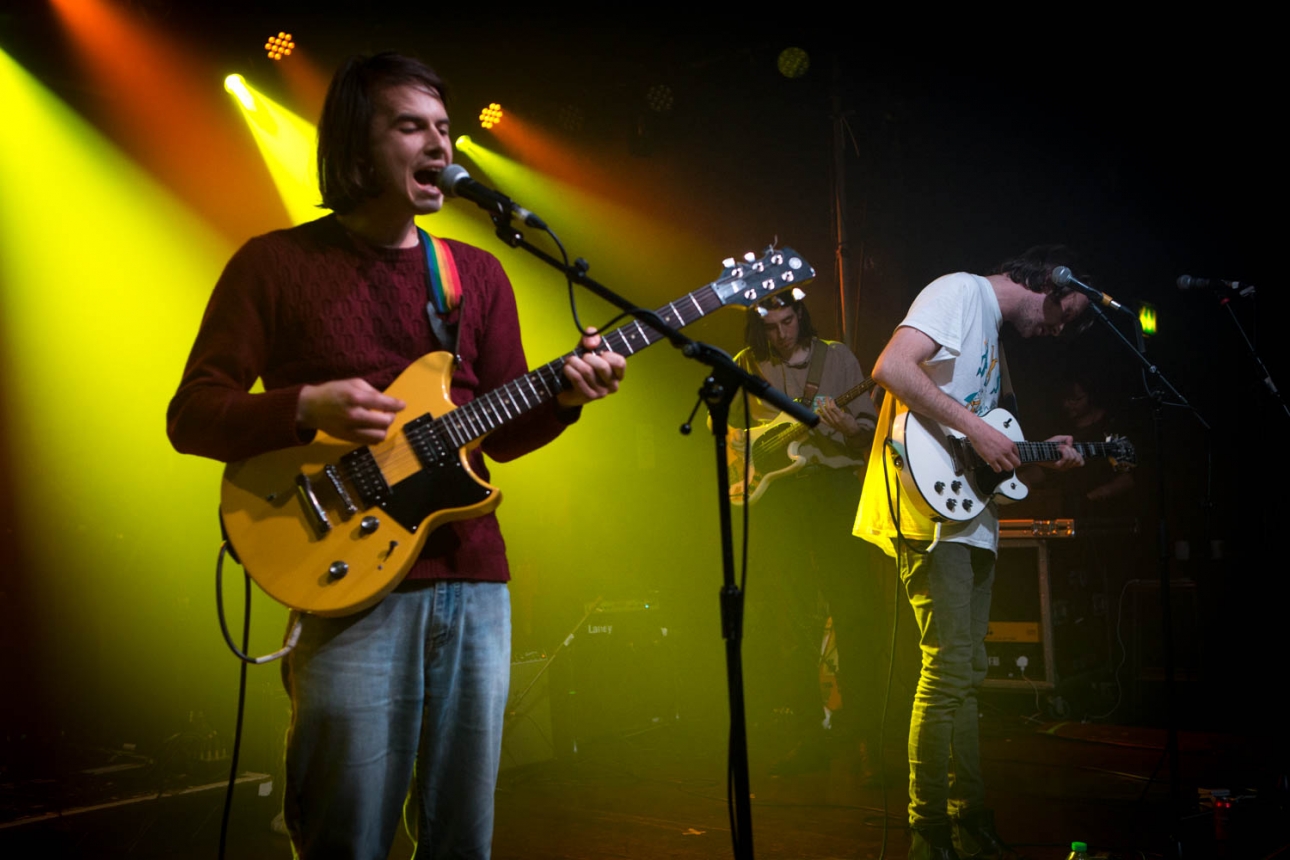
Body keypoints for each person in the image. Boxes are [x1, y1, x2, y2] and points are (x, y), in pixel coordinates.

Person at [166, 53, 624, 859]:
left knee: (463, 837)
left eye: (444, 128)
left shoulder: (475, 274)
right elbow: (192, 415)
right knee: (348, 834)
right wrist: (304, 406)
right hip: (346, 588)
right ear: (355, 146)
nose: (438, 144)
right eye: (410, 125)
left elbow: (500, 434)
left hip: (474, 582)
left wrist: (564, 397)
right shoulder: (276, 266)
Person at [853, 247, 1090, 860]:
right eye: (1067, 314)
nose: (1060, 331)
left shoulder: (991, 333)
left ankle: (967, 817)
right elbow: (893, 367)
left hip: (968, 518)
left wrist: (1039, 452)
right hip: (927, 517)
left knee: (965, 674)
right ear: (1048, 285)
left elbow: (983, 437)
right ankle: (927, 829)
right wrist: (982, 432)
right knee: (947, 672)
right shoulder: (959, 291)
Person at [728, 295, 884, 779]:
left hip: (833, 491)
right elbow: (731, 434)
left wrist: (848, 429)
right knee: (792, 621)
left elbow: (868, 436)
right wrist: (742, 467)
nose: (781, 334)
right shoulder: (747, 364)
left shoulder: (838, 359)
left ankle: (869, 741)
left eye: (788, 321)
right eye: (770, 326)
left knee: (855, 614)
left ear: (802, 315)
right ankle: (807, 738)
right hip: (778, 499)